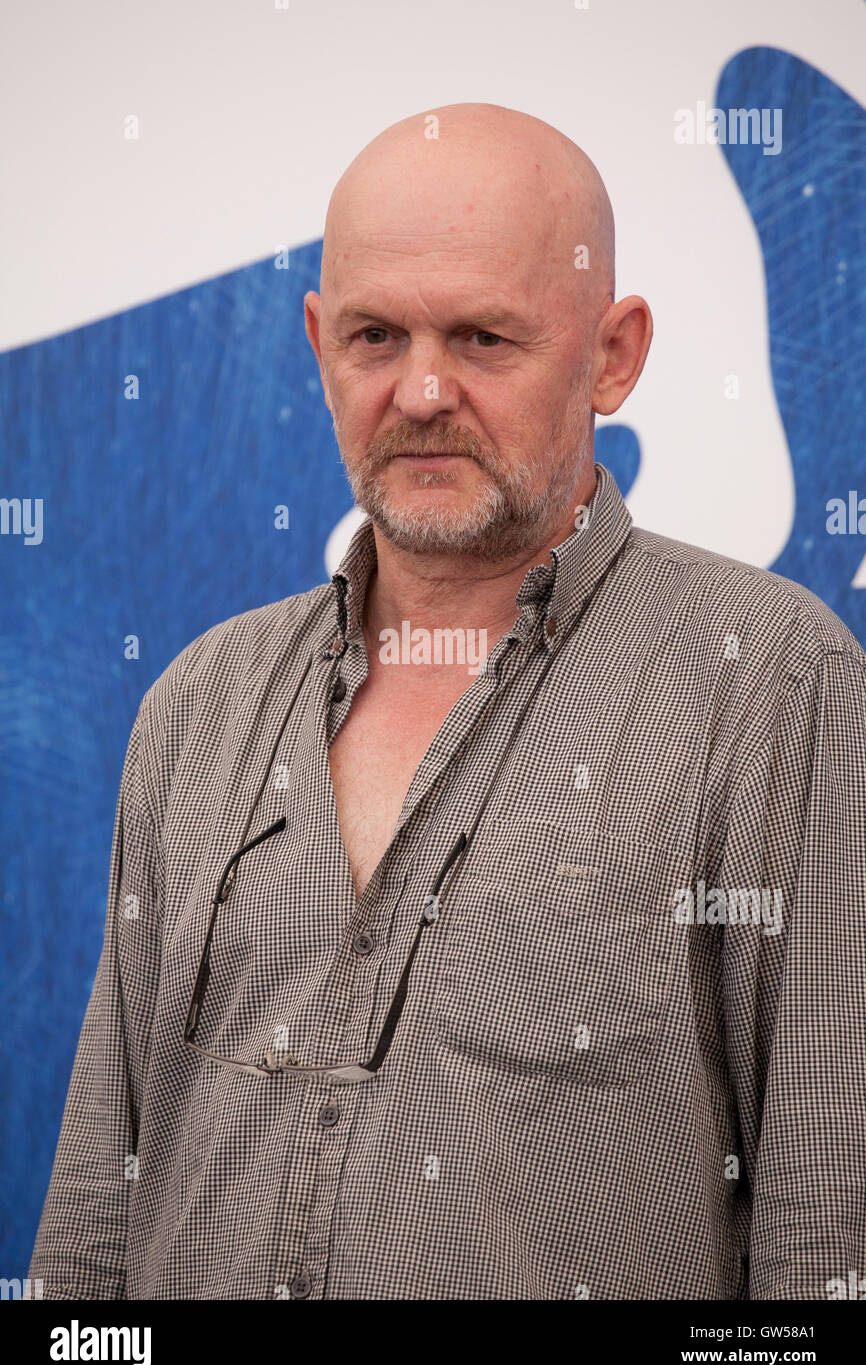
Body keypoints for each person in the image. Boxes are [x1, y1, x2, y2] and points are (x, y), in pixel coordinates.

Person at [30, 103, 866, 1300]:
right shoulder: (198, 703)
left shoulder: (773, 686)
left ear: (613, 354)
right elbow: (90, 1227)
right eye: (376, 335)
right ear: (320, 345)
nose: (421, 391)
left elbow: (824, 1244)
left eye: (482, 337)